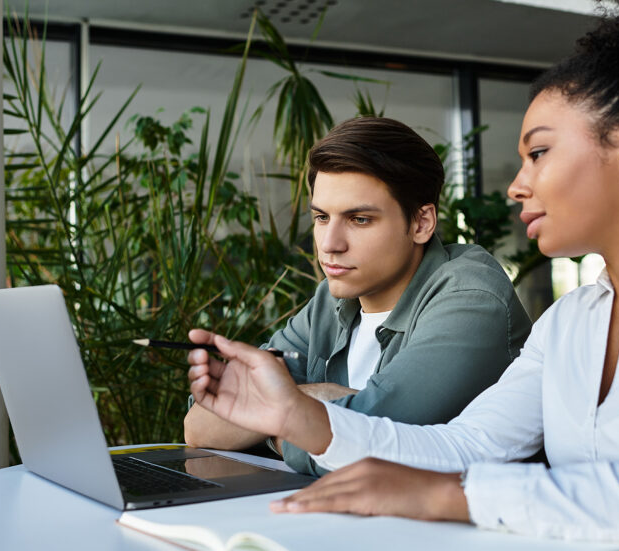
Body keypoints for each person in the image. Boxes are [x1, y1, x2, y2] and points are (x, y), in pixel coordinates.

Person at [186, 3, 619, 547]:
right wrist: (298, 414)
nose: (518, 185)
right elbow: (464, 448)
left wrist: (451, 495)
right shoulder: (569, 323)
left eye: (539, 153)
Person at [183, 116, 532, 476]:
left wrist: (283, 415)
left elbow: (371, 450)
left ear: (421, 223)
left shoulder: (471, 298)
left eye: (359, 219)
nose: (330, 244)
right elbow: (202, 424)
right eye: (321, 218)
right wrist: (317, 399)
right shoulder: (331, 300)